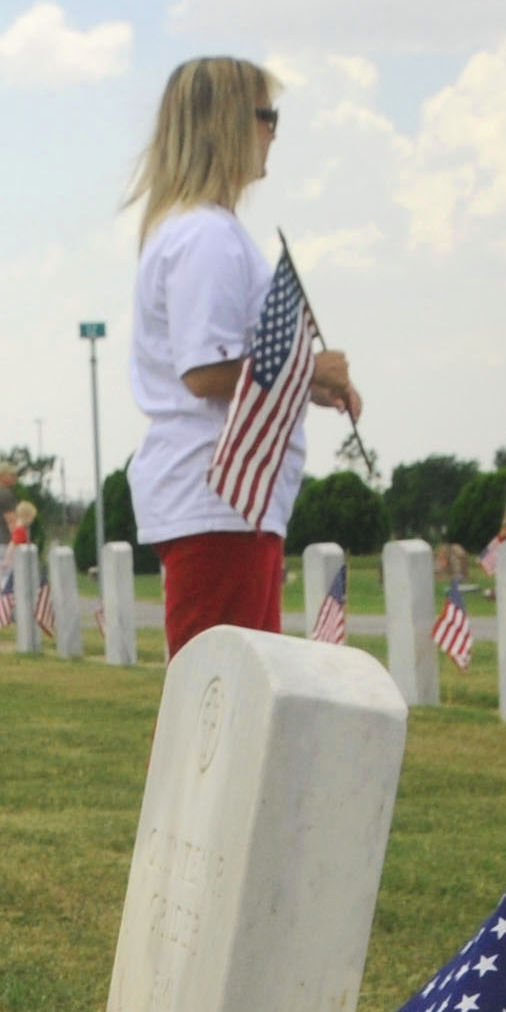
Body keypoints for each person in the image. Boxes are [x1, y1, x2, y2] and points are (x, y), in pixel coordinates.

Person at [123, 56, 361, 659]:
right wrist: (312, 370)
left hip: (231, 505)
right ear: (226, 124)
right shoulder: (205, 236)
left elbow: (228, 366)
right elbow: (204, 373)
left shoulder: (208, 231)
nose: (274, 131)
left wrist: (306, 385)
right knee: (218, 711)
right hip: (216, 501)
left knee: (242, 705)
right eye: (266, 115)